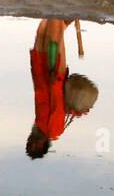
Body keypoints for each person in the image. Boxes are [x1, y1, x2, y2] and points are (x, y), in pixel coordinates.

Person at [26, 19, 98, 159]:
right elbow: (56, 106)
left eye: (28, 145)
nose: (29, 141)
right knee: (55, 35)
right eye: (32, 146)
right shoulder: (54, 131)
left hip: (41, 77)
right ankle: (64, 10)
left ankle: (68, 15)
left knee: (42, 30)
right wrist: (54, 77)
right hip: (52, 78)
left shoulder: (39, 127)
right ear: (42, 146)